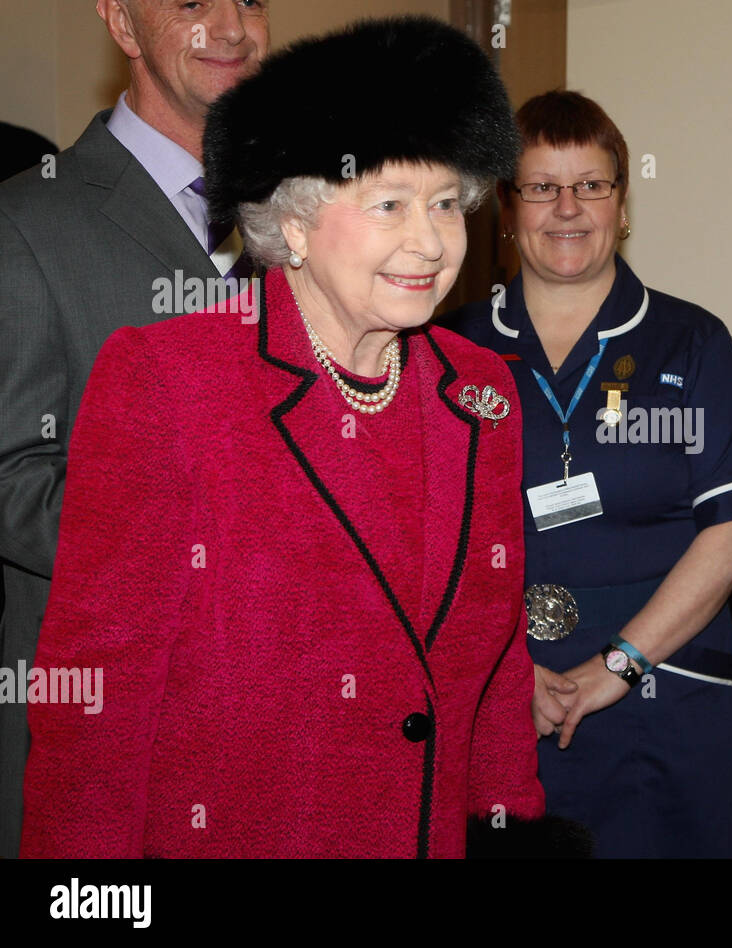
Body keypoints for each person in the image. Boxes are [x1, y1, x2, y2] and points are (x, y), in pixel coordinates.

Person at [21, 16, 552, 859]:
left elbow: (495, 666)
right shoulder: (170, 382)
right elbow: (99, 700)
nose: (430, 241)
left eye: (447, 203)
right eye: (389, 205)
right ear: (295, 224)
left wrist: (506, 825)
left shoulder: (479, 393)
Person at [442, 90, 732, 858]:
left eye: (591, 185)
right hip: (499, 698)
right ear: (508, 207)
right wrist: (506, 667)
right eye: (541, 186)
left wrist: (619, 665)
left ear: (622, 206)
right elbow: (423, 539)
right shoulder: (447, 349)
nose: (567, 207)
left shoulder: (692, 342)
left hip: (661, 695)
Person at [0, 0, 268, 859]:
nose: (230, 26)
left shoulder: (313, 214)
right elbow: (14, 479)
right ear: (121, 22)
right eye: (191, 1)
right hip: (113, 747)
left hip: (278, 739)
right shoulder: (24, 224)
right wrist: (224, 538)